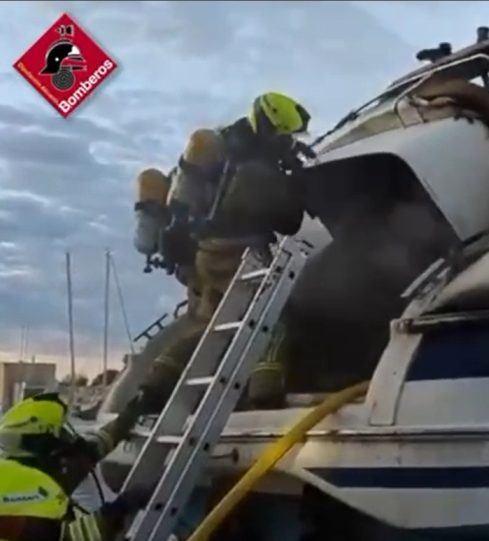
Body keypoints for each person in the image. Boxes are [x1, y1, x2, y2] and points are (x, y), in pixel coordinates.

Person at [136, 91, 310, 414]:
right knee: (275, 316)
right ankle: (265, 393)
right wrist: (298, 182)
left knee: (206, 330)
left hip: (197, 256)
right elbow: (289, 221)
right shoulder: (255, 170)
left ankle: (156, 384)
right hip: (233, 254)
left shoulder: (226, 153)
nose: (289, 144)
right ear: (271, 130)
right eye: (286, 137)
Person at [0, 393, 147, 541]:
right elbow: (67, 537)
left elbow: (94, 447)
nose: (70, 440)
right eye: (62, 433)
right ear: (44, 443)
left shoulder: (28, 472)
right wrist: (122, 507)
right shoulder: (36, 486)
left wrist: (130, 414)